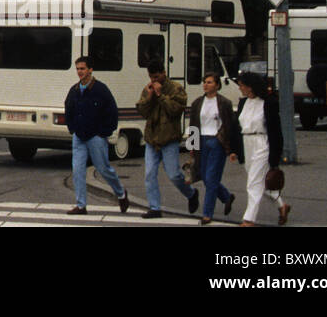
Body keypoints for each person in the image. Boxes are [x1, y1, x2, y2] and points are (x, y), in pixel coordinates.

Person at [63, 55, 130, 215]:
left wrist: (104, 132)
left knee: (103, 168)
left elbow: (112, 112)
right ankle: (81, 205)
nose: (80, 72)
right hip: (79, 136)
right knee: (77, 170)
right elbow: (69, 109)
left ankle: (121, 193)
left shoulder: (101, 90)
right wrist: (72, 128)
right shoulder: (74, 90)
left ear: (90, 70)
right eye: (78, 69)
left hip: (96, 137)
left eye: (83, 69)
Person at [137, 62, 199, 218]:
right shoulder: (148, 88)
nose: (153, 79)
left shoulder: (176, 88)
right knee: (149, 173)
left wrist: (160, 95)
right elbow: (142, 111)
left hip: (169, 138)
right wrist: (149, 97)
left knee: (174, 174)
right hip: (152, 137)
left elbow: (176, 110)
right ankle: (155, 207)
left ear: (164, 72)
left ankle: (191, 194)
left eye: (156, 76)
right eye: (151, 76)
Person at [228, 71, 290, 226]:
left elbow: (276, 131)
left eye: (242, 85)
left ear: (250, 87)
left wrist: (275, 157)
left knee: (253, 183)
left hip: (262, 142)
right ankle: (282, 206)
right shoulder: (243, 103)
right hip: (246, 142)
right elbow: (237, 127)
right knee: (260, 182)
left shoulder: (268, 103)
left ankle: (249, 220)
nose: (240, 88)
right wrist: (234, 149)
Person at [189, 72, 239, 224]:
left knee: (211, 178)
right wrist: (192, 145)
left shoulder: (224, 103)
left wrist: (231, 149)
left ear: (217, 85)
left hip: (217, 141)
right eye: (204, 82)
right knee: (204, 176)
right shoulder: (197, 103)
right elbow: (193, 124)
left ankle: (207, 213)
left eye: (210, 82)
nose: (206, 84)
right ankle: (226, 196)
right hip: (202, 141)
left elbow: (230, 126)